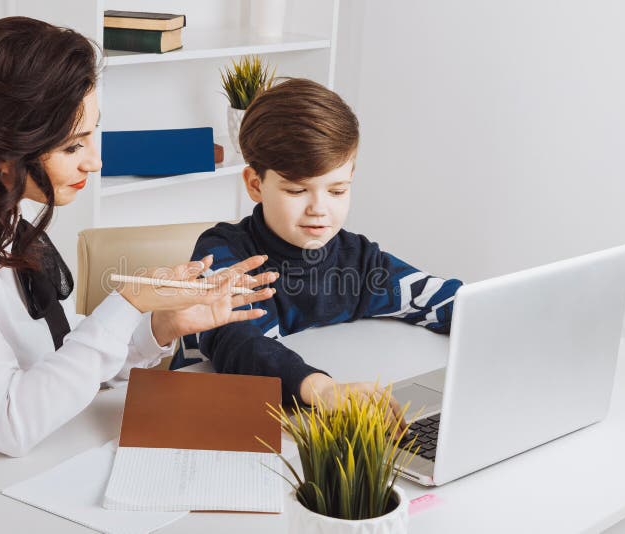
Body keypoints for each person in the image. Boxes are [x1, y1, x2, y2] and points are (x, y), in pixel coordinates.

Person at [0, 17, 276, 458]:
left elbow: (61, 365)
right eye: (73, 146)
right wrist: (128, 302)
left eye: (93, 135)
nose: (95, 162)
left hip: (26, 465)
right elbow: (7, 423)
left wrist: (160, 325)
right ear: (5, 151)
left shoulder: (1, 217)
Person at [190, 78, 463, 409]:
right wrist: (319, 388)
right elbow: (238, 343)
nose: (319, 208)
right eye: (297, 190)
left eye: (337, 191)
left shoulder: (358, 261)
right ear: (255, 184)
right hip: (210, 412)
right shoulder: (223, 253)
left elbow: (440, 300)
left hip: (305, 415)